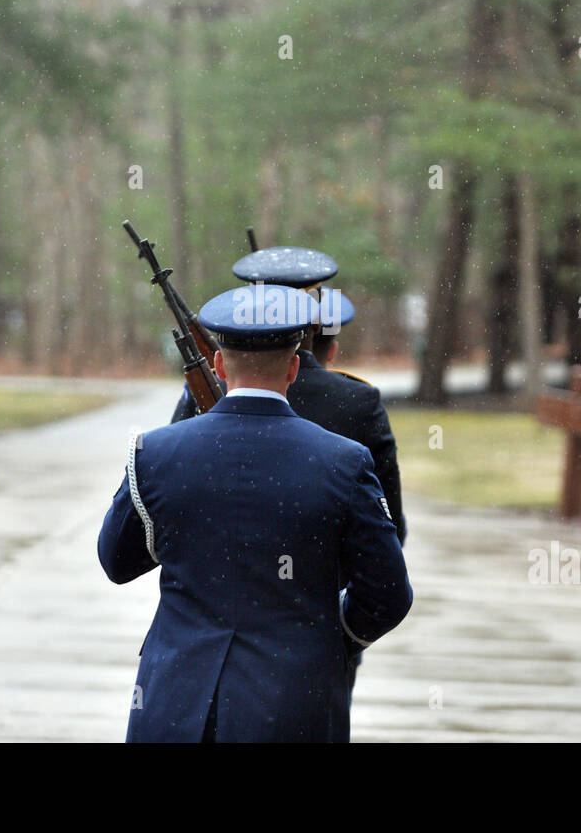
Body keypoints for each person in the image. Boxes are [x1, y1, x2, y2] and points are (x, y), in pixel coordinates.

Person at [98, 284, 413, 743]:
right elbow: (387, 594)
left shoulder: (157, 452)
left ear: (220, 365)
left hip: (175, 704)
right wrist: (331, 636)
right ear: (293, 368)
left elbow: (118, 561)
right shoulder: (344, 462)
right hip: (294, 704)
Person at [170, 248, 405, 545]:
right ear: (316, 320)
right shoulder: (359, 401)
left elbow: (171, 501)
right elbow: (388, 527)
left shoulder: (208, 389)